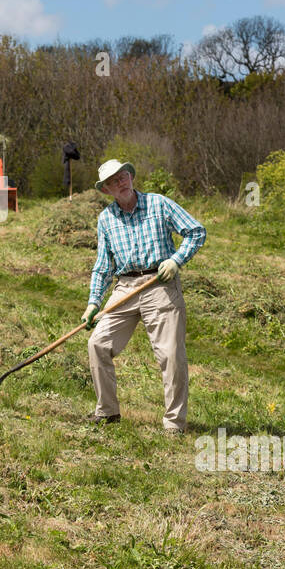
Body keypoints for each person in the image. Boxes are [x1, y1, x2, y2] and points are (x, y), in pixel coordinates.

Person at [80, 158, 205, 432]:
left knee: (171, 354)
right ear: (106, 190)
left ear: (131, 177)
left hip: (159, 284)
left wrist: (176, 260)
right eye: (113, 182)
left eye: (122, 177)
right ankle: (108, 412)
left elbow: (196, 231)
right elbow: (103, 267)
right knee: (97, 344)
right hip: (124, 288)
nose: (120, 183)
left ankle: (174, 423)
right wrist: (93, 304)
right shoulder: (106, 219)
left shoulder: (159, 204)